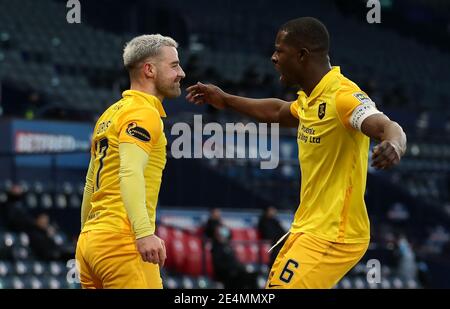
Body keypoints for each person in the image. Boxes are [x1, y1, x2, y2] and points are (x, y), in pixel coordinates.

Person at [186, 17, 407, 289]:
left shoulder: (343, 97)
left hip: (335, 235)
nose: (273, 58)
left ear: (302, 55)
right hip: (306, 229)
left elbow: (387, 125)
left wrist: (394, 144)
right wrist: (226, 99)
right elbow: (277, 111)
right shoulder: (310, 98)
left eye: (280, 50)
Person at [75, 34, 186, 288]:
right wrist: (144, 233)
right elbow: (130, 171)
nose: (181, 73)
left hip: (91, 244)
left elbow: (91, 181)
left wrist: (85, 234)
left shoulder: (110, 113)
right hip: (121, 242)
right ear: (149, 70)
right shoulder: (143, 112)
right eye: (174, 65)